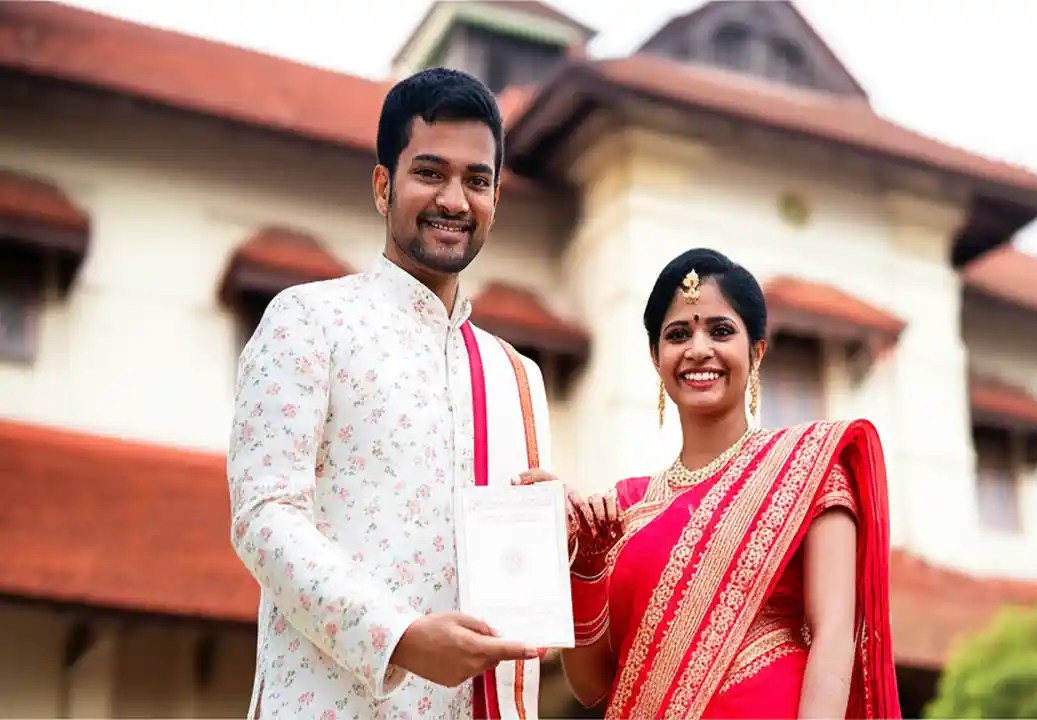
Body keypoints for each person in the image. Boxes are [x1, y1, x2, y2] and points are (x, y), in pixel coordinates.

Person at [227, 68, 553, 719]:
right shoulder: (310, 320)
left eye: (477, 180)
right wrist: (397, 638)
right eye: (430, 173)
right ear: (384, 186)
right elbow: (263, 515)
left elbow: (519, 578)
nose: (455, 201)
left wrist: (558, 547)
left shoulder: (515, 376)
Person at [519, 248, 901, 719]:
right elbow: (592, 685)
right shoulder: (625, 509)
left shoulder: (809, 469)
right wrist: (586, 570)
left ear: (756, 350)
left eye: (720, 331)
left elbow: (835, 634)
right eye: (678, 334)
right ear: (657, 358)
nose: (699, 349)